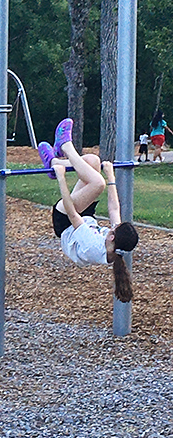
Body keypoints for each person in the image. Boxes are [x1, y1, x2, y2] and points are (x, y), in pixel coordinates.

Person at [37, 118, 139, 302]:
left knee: (97, 184)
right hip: (84, 219)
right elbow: (114, 208)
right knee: (93, 161)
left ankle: (65, 146)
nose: (113, 227)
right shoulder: (115, 242)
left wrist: (62, 179)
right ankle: (54, 162)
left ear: (112, 237)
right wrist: (111, 176)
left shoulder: (93, 246)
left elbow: (72, 213)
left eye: (114, 229)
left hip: (66, 221)